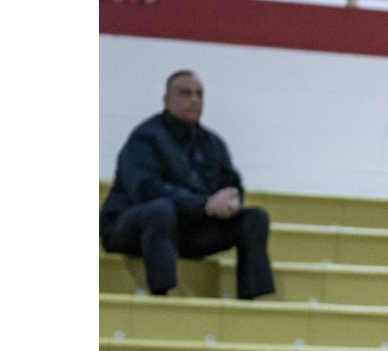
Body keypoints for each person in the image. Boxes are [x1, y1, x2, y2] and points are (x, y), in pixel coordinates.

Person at [100, 70, 275, 300]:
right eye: (185, 93)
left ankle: (253, 301)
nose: (194, 100)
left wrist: (231, 201)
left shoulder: (213, 143)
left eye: (199, 94)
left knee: (254, 218)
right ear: (166, 100)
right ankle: (163, 295)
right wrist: (205, 205)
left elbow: (231, 183)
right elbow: (145, 190)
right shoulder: (145, 138)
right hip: (130, 229)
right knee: (160, 209)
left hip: (184, 232)